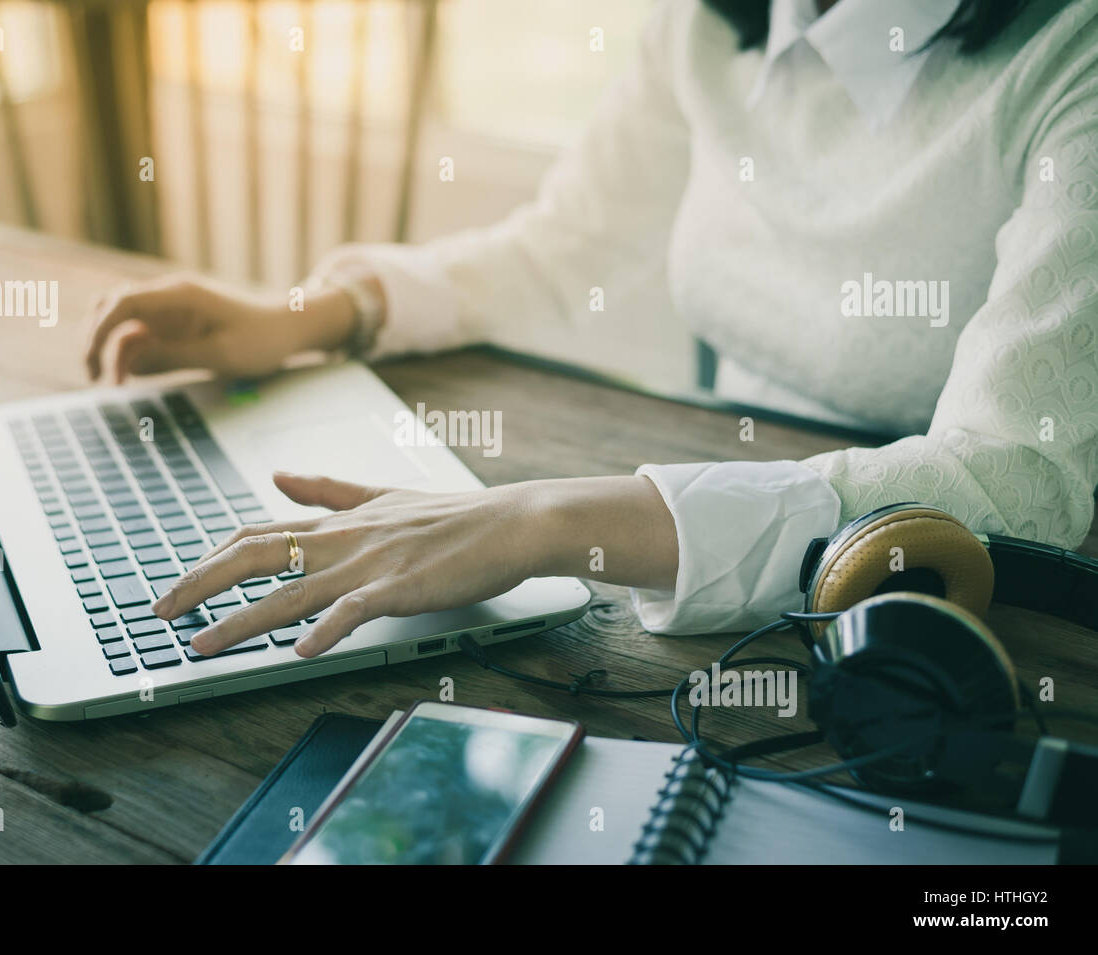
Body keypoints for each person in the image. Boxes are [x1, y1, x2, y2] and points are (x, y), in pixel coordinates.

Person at [84, 0, 1098, 660]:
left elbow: (1017, 484)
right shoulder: (710, 25)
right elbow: (563, 244)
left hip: (979, 624)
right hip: (720, 519)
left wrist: (544, 522)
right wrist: (313, 313)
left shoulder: (1072, 55)